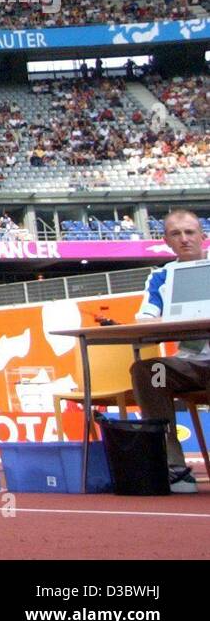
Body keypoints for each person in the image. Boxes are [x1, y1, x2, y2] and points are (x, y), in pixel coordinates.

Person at [129, 209, 208, 493]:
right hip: (190, 369)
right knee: (149, 372)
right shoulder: (160, 278)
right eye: (176, 234)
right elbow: (146, 320)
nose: (184, 239)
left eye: (190, 232)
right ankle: (174, 466)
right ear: (166, 241)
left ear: (203, 237)